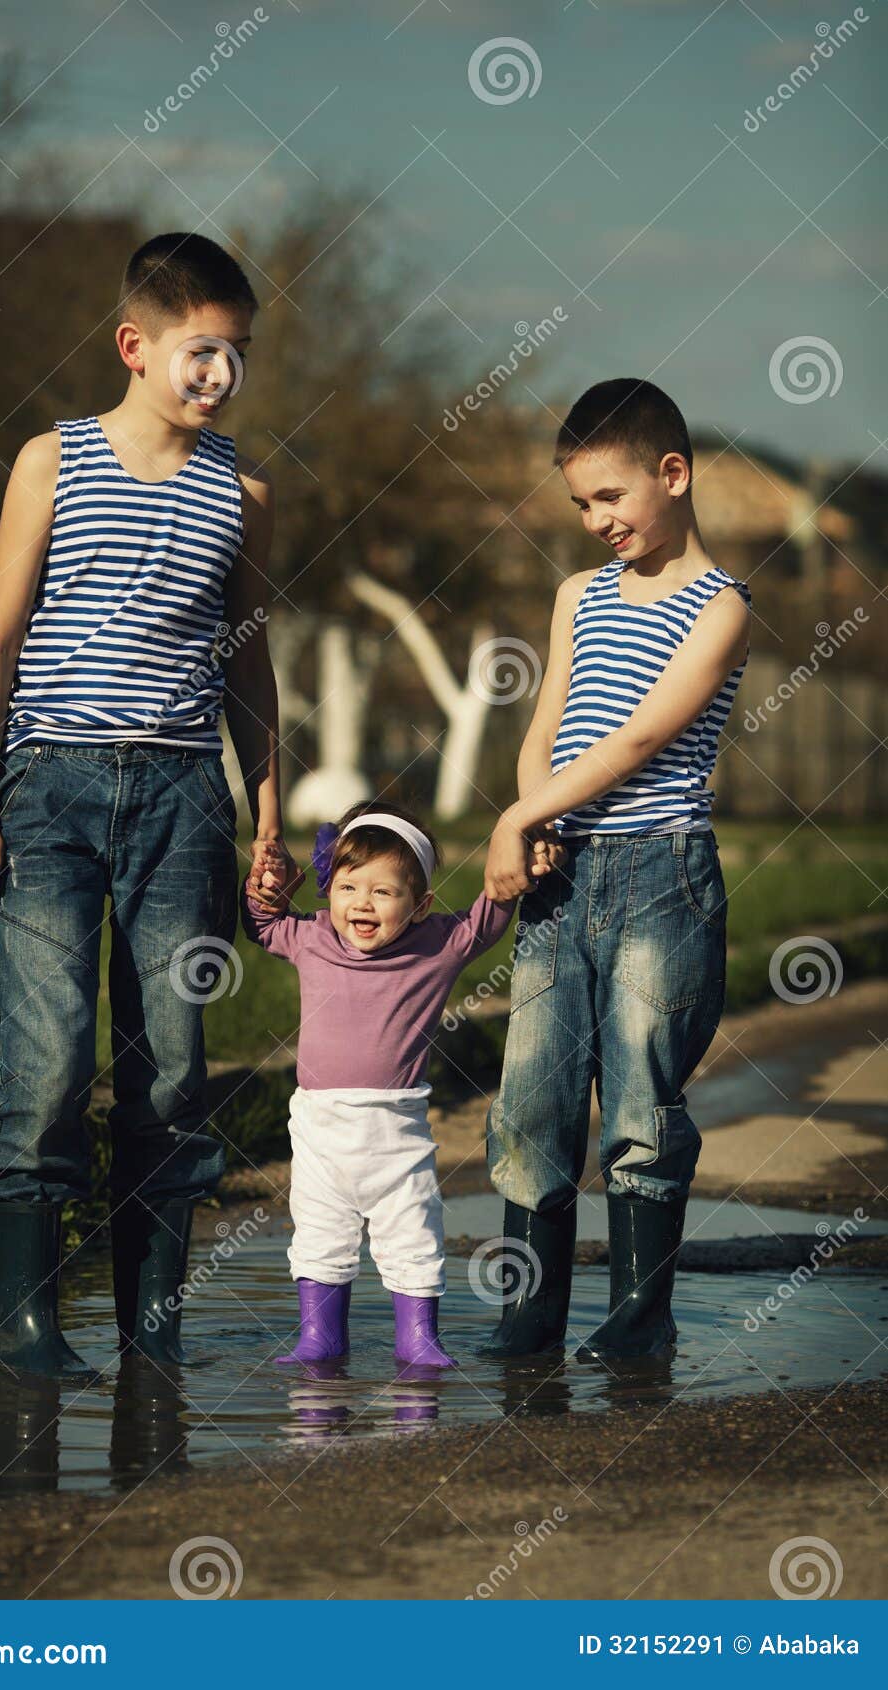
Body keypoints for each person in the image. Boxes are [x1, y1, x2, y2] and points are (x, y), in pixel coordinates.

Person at [0, 232, 300, 1377]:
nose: (220, 376)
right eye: (201, 352)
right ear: (135, 346)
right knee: (47, 1065)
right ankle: (29, 1326)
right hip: (48, 789)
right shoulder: (51, 461)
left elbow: (250, 670)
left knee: (170, 1071)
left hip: (182, 799)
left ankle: (153, 1324)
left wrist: (267, 816)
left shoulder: (241, 488)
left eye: (237, 356)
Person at [482, 377, 751, 1363]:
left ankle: (639, 1323)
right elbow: (545, 727)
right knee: (534, 1098)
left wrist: (521, 814)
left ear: (672, 474)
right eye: (580, 504)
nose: (596, 520)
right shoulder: (577, 596)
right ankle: (529, 1321)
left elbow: (641, 739)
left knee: (640, 1101)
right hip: (565, 873)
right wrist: (536, 811)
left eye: (610, 497)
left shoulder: (720, 607)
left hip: (661, 877)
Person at [243, 802, 519, 1368]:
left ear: (419, 906)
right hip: (320, 1130)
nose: (361, 904)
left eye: (383, 893)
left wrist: (514, 852)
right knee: (319, 1235)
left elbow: (490, 915)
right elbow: (262, 925)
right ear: (328, 892)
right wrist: (268, 886)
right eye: (347, 887)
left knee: (414, 1232)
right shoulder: (311, 937)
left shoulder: (438, 945)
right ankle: (320, 1337)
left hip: (397, 1133)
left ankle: (419, 1340)